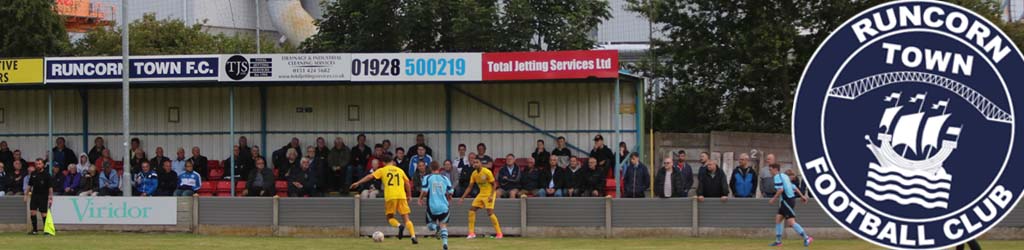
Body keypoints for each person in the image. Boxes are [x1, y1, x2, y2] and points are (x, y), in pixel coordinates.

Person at [350, 154, 419, 244]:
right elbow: (407, 183)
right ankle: (413, 236)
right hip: (401, 196)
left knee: (389, 217)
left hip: (390, 196)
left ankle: (399, 226)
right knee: (406, 218)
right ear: (392, 161)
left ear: (383, 163)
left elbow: (370, 176)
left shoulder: (383, 170)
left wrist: (358, 182)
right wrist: (409, 195)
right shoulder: (400, 170)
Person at [768, 163, 812, 247]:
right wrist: (802, 196)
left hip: (786, 201)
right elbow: (794, 186)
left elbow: (780, 190)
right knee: (778, 219)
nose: (770, 171)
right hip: (787, 201)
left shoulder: (777, 177)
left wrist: (773, 199)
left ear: (775, 169)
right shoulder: (784, 176)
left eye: (770, 169)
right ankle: (778, 241)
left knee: (791, 222)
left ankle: (807, 238)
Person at [458, 157, 503, 239]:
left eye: (477, 162)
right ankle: (471, 233)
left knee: (490, 213)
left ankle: (499, 233)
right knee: (471, 210)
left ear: (481, 164)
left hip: (489, 194)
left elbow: (494, 184)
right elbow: (470, 187)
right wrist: (462, 197)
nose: (475, 164)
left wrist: (491, 195)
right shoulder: (474, 174)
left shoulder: (487, 172)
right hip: (481, 194)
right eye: (474, 162)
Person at [417, 161, 454, 250]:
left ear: (430, 168)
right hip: (444, 206)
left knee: (430, 225)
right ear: (439, 168)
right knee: (443, 225)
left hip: (432, 206)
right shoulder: (445, 178)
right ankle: (445, 243)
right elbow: (450, 191)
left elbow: (425, 191)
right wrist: (449, 197)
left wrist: (420, 198)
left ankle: (435, 227)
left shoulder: (427, 177)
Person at [25, 159, 53, 235]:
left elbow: (50, 187)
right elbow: (29, 185)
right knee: (32, 212)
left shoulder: (47, 174)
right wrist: (26, 195)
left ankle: (46, 230)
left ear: (43, 165)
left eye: (40, 164)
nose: (38, 165)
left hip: (43, 196)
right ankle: (35, 230)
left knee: (44, 213)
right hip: (34, 195)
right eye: (37, 164)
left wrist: (50, 198)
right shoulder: (33, 173)